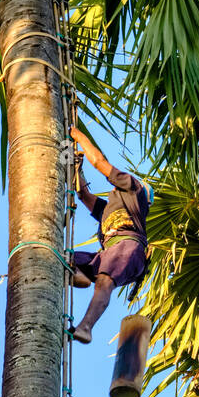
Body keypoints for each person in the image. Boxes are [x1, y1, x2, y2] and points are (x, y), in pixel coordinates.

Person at [68, 126, 151, 344]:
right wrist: (77, 167)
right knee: (63, 257)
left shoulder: (134, 189)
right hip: (110, 252)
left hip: (128, 247)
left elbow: (100, 163)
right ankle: (82, 274)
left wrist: (78, 135)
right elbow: (83, 194)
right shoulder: (109, 208)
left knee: (104, 282)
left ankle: (85, 327)